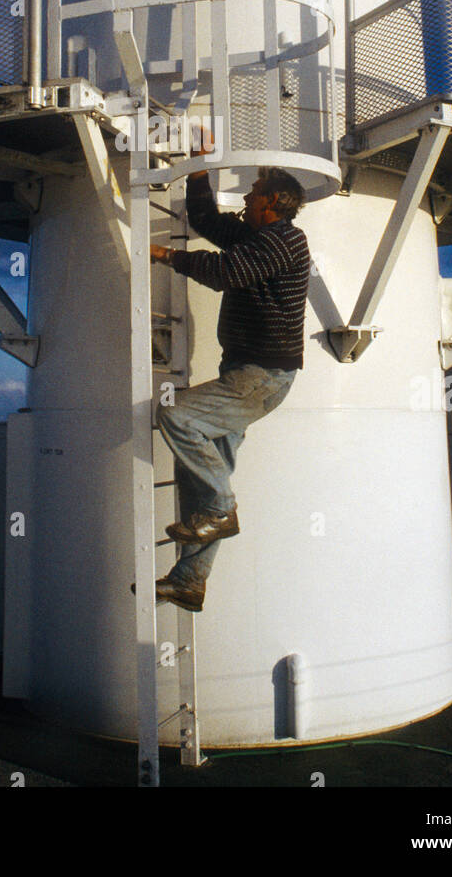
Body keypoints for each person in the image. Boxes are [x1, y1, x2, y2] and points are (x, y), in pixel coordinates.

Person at [149, 138, 310, 611]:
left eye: (253, 190)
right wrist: (199, 168)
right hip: (244, 373)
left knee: (176, 417)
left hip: (260, 377)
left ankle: (221, 508)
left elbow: (224, 273)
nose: (245, 197)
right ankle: (190, 579)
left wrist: (166, 256)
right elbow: (206, 222)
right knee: (199, 481)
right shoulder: (258, 237)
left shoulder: (285, 240)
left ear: (271, 203)